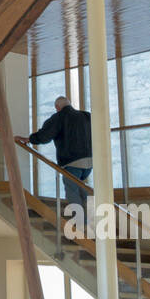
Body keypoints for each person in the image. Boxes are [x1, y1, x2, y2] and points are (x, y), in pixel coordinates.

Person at [15, 96, 93, 224]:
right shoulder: (86, 116)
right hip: (89, 162)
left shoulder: (59, 117)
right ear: (70, 104)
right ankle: (93, 220)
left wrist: (29, 139)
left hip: (71, 162)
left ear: (57, 107)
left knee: (72, 191)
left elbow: (45, 135)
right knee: (83, 188)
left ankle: (81, 225)